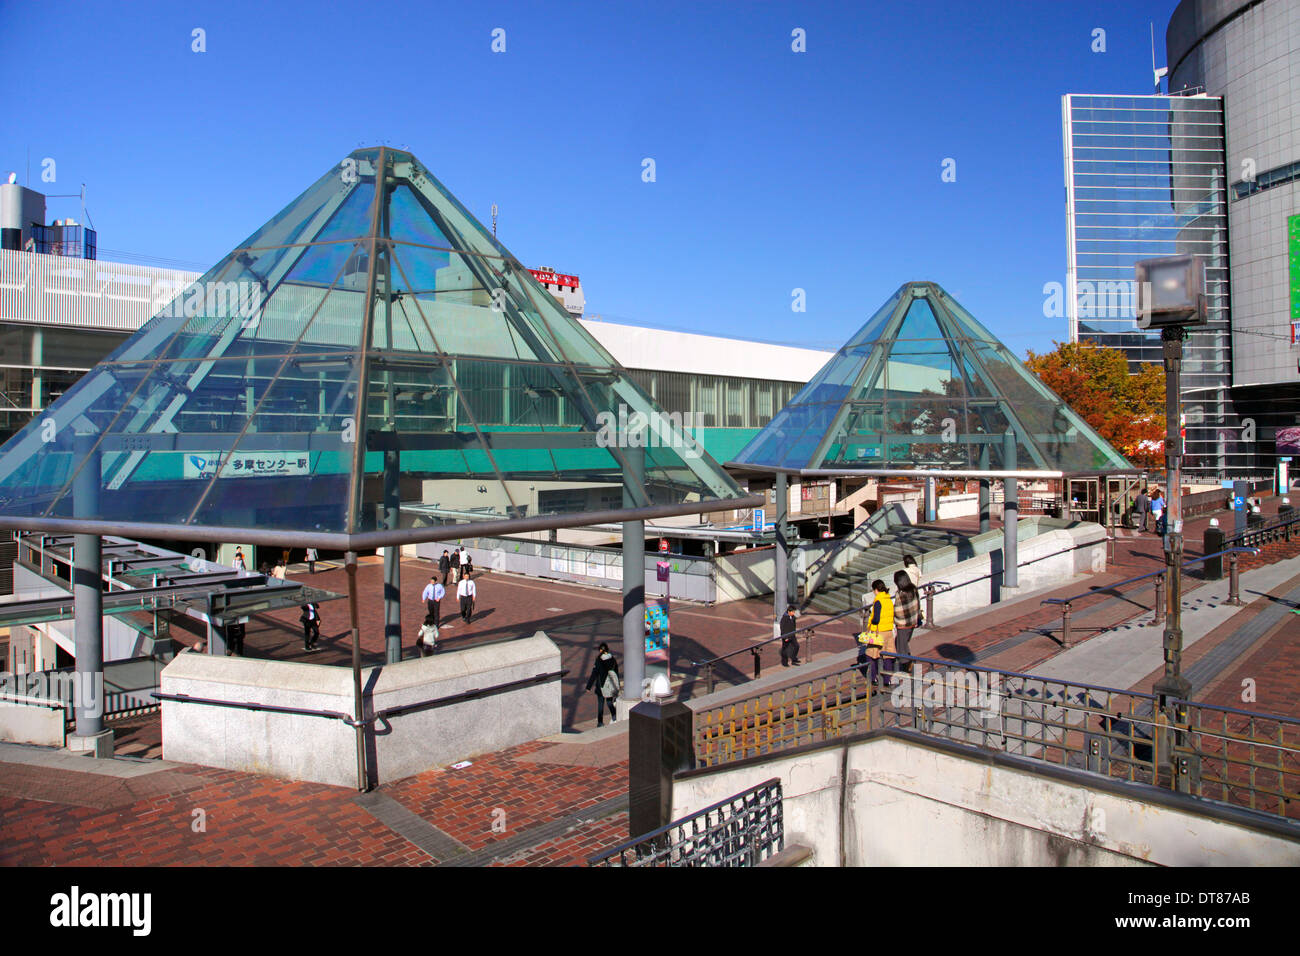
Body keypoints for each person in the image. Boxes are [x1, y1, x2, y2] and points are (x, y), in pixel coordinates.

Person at [857, 579, 895, 685]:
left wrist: (871, 623)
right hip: (889, 631)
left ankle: (873, 678)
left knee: (870, 655)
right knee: (887, 656)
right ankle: (888, 679)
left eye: (874, 590)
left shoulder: (878, 601)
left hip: (878, 633)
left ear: (876, 590)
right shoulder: (888, 599)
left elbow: (876, 619)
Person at [585, 642, 620, 727]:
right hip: (611, 684)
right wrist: (617, 683)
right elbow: (616, 672)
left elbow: (594, 674)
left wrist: (588, 687)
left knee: (600, 704)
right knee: (609, 702)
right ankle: (614, 716)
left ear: (600, 650)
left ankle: (600, 722)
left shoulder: (599, 660)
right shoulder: (612, 659)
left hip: (601, 685)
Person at [892, 570, 920, 673]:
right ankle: (907, 663)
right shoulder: (913, 589)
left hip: (902, 624)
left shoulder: (901, 594)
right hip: (912, 622)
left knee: (901, 647)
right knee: (904, 643)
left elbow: (898, 611)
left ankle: (907, 665)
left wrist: (893, 617)